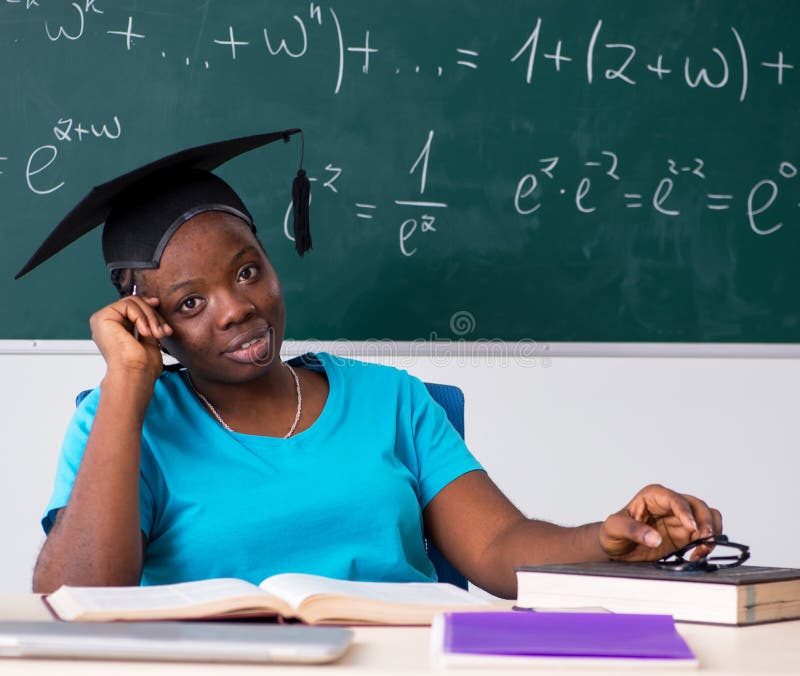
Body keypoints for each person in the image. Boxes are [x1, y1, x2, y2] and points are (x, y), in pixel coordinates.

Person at [18, 129, 722, 598]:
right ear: (149, 320)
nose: (235, 307)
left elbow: (502, 546)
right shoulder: (121, 423)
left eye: (248, 270)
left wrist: (603, 539)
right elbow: (71, 600)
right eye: (190, 302)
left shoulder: (392, 402)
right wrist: (127, 388)